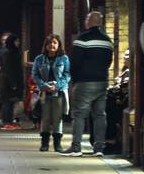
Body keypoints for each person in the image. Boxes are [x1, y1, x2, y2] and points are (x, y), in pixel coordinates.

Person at [65, 10, 114, 156]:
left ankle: (76, 147)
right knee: (100, 115)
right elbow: (109, 61)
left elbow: (75, 62)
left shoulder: (83, 39)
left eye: (87, 19)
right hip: (102, 81)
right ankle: (99, 148)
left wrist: (74, 80)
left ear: (89, 21)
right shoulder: (107, 41)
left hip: (85, 81)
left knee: (79, 114)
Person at [31, 33, 70, 153]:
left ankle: (57, 143)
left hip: (59, 92)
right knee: (45, 117)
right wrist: (43, 86)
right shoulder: (39, 58)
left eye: (54, 43)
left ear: (59, 45)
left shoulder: (64, 58)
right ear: (46, 45)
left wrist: (57, 86)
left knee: (58, 118)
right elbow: (35, 75)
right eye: (49, 43)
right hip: (44, 92)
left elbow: (67, 74)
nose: (52, 45)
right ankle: (44, 143)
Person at [0, 33, 24, 130]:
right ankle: (6, 122)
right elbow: (9, 69)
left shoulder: (13, 51)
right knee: (7, 102)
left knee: (11, 102)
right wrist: (13, 83)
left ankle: (9, 121)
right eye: (16, 41)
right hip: (8, 83)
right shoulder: (8, 52)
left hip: (11, 81)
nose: (18, 43)